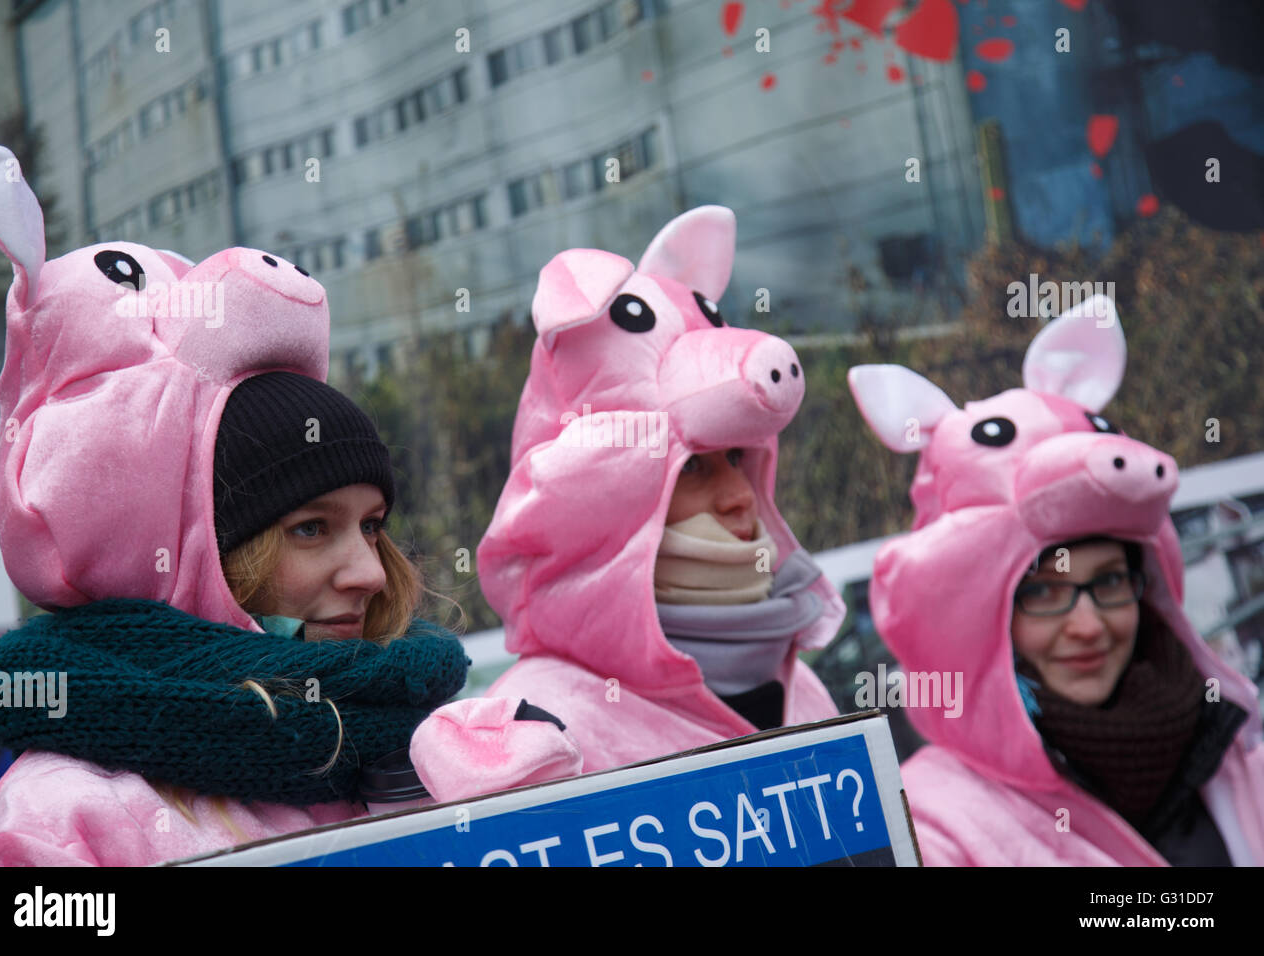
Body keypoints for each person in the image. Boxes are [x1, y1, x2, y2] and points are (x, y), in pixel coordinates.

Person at [0, 371, 469, 866]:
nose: (371, 572)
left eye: (371, 526)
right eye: (311, 528)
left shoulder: (433, 743)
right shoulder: (61, 817)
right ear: (205, 557)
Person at [848, 295, 1264, 866]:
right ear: (985, 616)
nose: (1089, 625)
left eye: (1111, 582)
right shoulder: (929, 822)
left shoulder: (1236, 748)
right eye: (1043, 593)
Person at [439, 206, 844, 778]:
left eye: (737, 459)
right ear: (599, 507)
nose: (740, 497)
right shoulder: (540, 732)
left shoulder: (800, 686)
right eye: (694, 470)